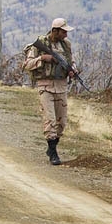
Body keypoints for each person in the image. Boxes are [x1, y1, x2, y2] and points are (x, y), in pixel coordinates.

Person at [22, 17, 77, 165]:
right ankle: (53, 152)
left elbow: (71, 62)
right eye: (63, 32)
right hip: (45, 86)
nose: (65, 34)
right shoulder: (41, 44)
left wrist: (72, 71)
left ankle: (53, 146)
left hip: (61, 86)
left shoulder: (66, 45)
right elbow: (27, 64)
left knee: (62, 122)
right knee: (50, 119)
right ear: (55, 31)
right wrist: (42, 58)